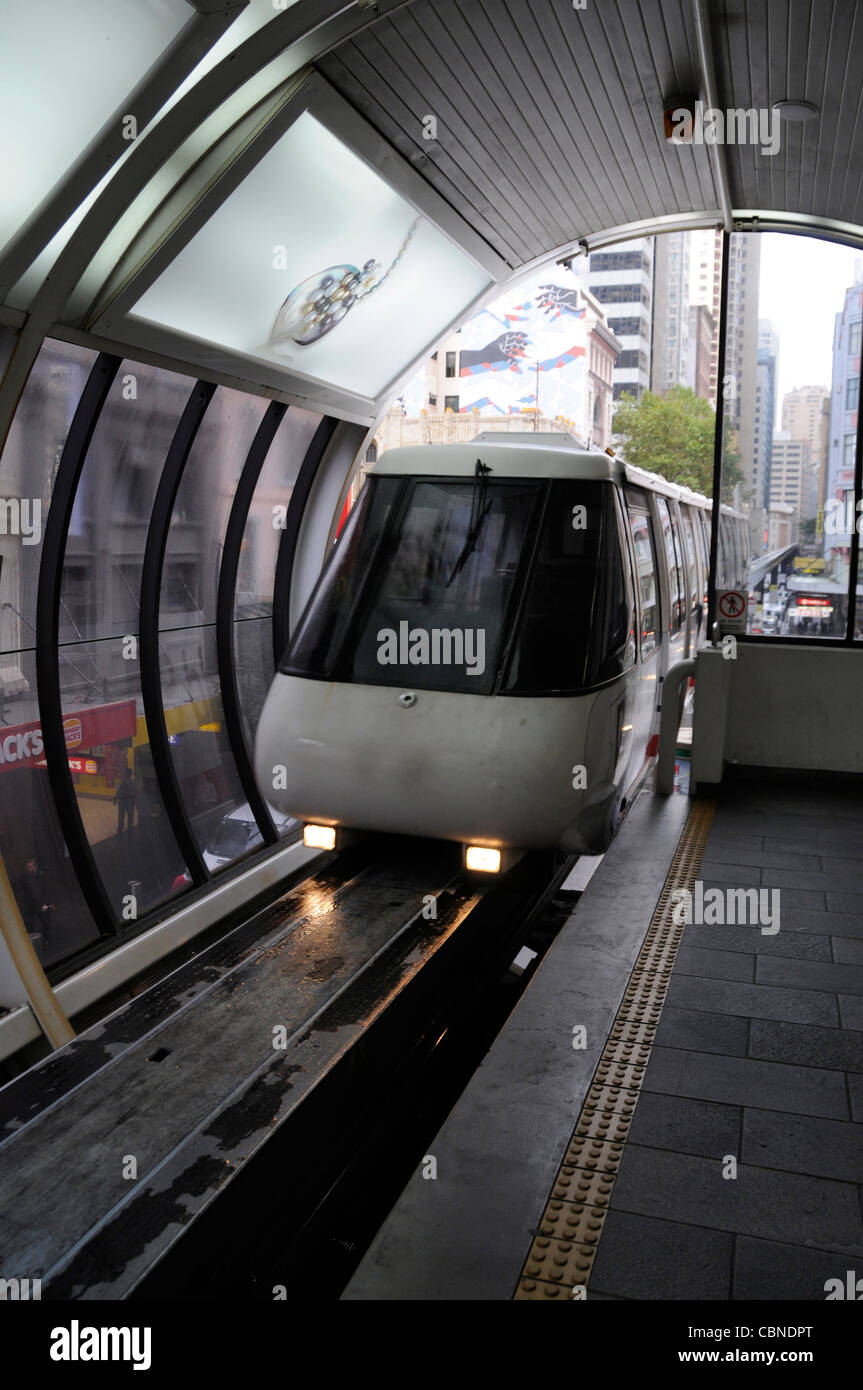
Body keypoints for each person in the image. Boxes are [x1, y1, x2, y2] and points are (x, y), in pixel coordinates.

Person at [113, 769, 137, 833]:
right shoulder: (133, 782)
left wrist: (115, 799)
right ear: (131, 774)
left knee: (121, 815)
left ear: (126, 774)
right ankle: (130, 827)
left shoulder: (123, 781)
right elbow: (135, 793)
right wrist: (134, 801)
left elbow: (118, 791)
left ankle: (120, 828)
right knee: (130, 815)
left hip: (122, 801)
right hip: (130, 801)